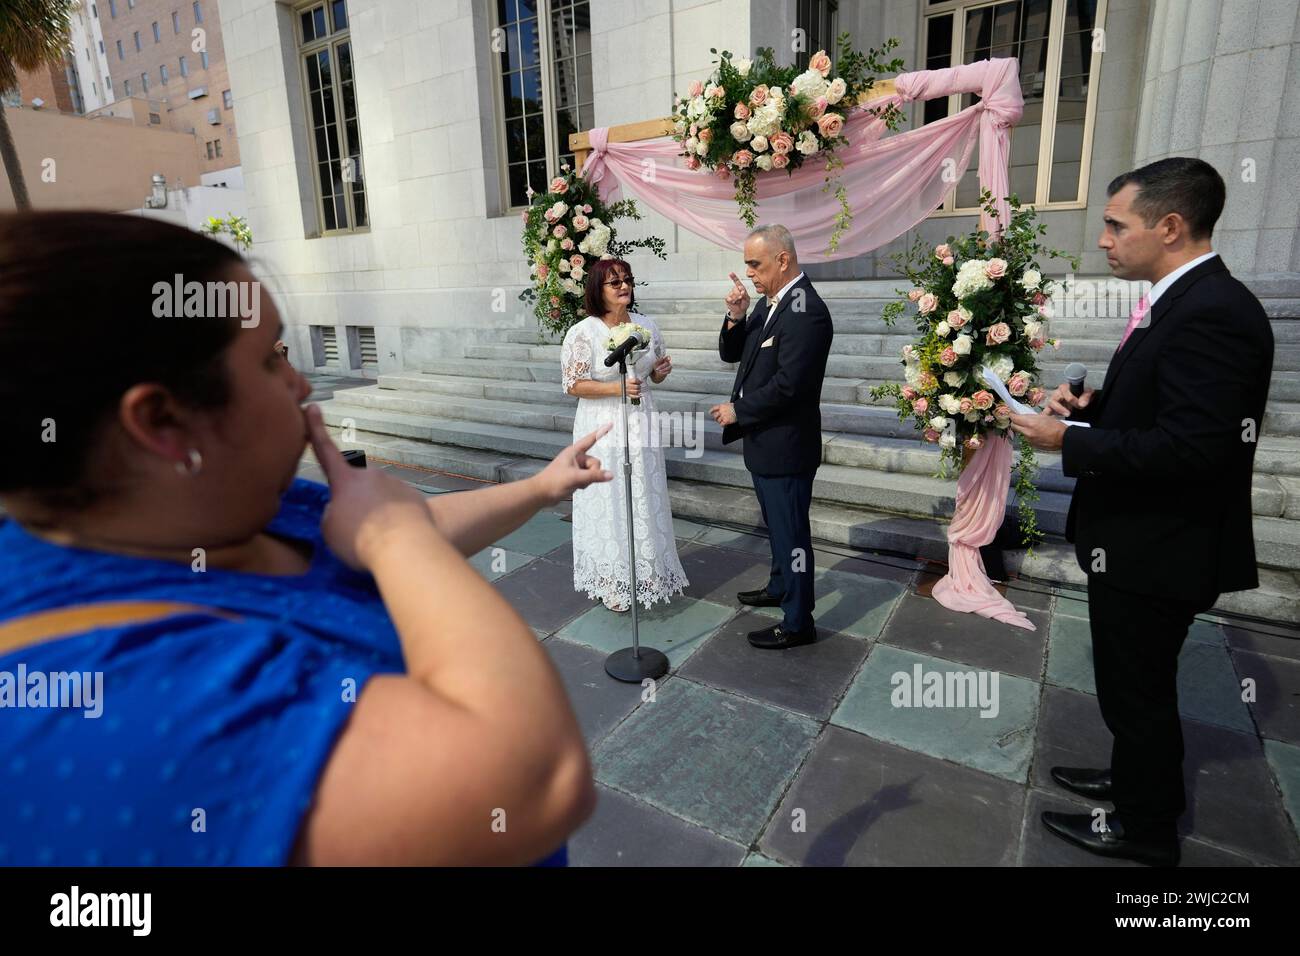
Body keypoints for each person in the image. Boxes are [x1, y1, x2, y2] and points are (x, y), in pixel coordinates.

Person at [0, 211, 611, 866]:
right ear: (162, 424)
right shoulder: (106, 702)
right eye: (270, 360)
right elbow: (535, 781)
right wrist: (392, 532)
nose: (302, 384)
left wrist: (539, 489)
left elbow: (399, 542)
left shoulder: (227, 501)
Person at [1010, 158, 1274, 866]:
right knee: (1133, 685)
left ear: (1170, 226)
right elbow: (1170, 412)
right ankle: (1132, 780)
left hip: (1161, 544)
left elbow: (1194, 450)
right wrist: (1094, 408)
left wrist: (1071, 439)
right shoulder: (1180, 298)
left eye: (1114, 225)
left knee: (1141, 691)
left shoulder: (1216, 311)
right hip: (1139, 537)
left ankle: (1146, 828)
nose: (1103, 240)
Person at [712, 224, 833, 649]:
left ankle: (799, 622)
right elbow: (732, 354)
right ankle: (781, 585)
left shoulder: (806, 311)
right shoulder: (769, 304)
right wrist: (736, 316)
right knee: (777, 529)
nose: (749, 274)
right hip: (764, 444)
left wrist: (738, 410)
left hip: (787, 446)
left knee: (792, 534)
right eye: (746, 264)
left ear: (783, 260)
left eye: (755, 264)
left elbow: (790, 385)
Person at [561, 258, 688, 613]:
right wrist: (618, 388)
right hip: (601, 425)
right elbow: (573, 384)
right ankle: (612, 579)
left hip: (640, 420)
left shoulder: (646, 325)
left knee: (643, 492)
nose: (623, 287)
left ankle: (646, 572)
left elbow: (653, 374)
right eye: (613, 282)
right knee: (611, 496)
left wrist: (660, 372)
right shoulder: (583, 332)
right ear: (597, 291)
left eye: (626, 280)